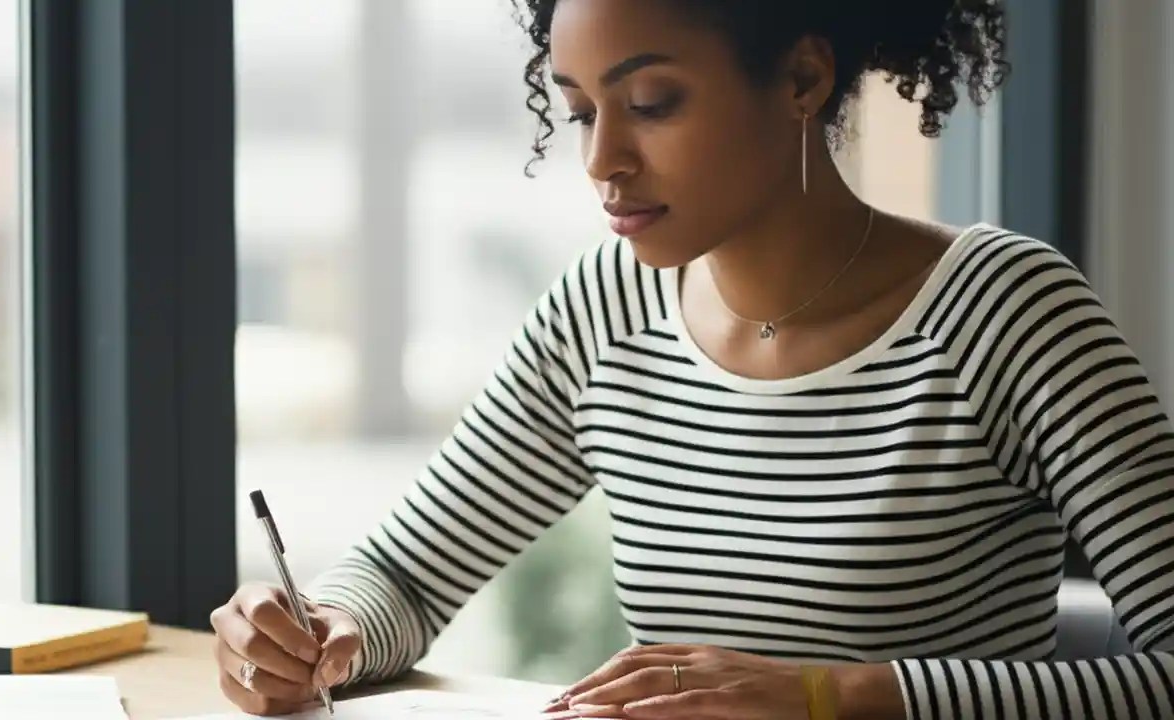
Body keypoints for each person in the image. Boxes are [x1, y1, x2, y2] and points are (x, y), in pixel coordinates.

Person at [211, 1, 1174, 717]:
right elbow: (409, 579)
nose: (601, 160)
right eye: (584, 112)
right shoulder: (607, 309)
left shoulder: (1005, 313)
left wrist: (829, 698)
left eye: (653, 102)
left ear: (802, 79)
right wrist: (317, 634)